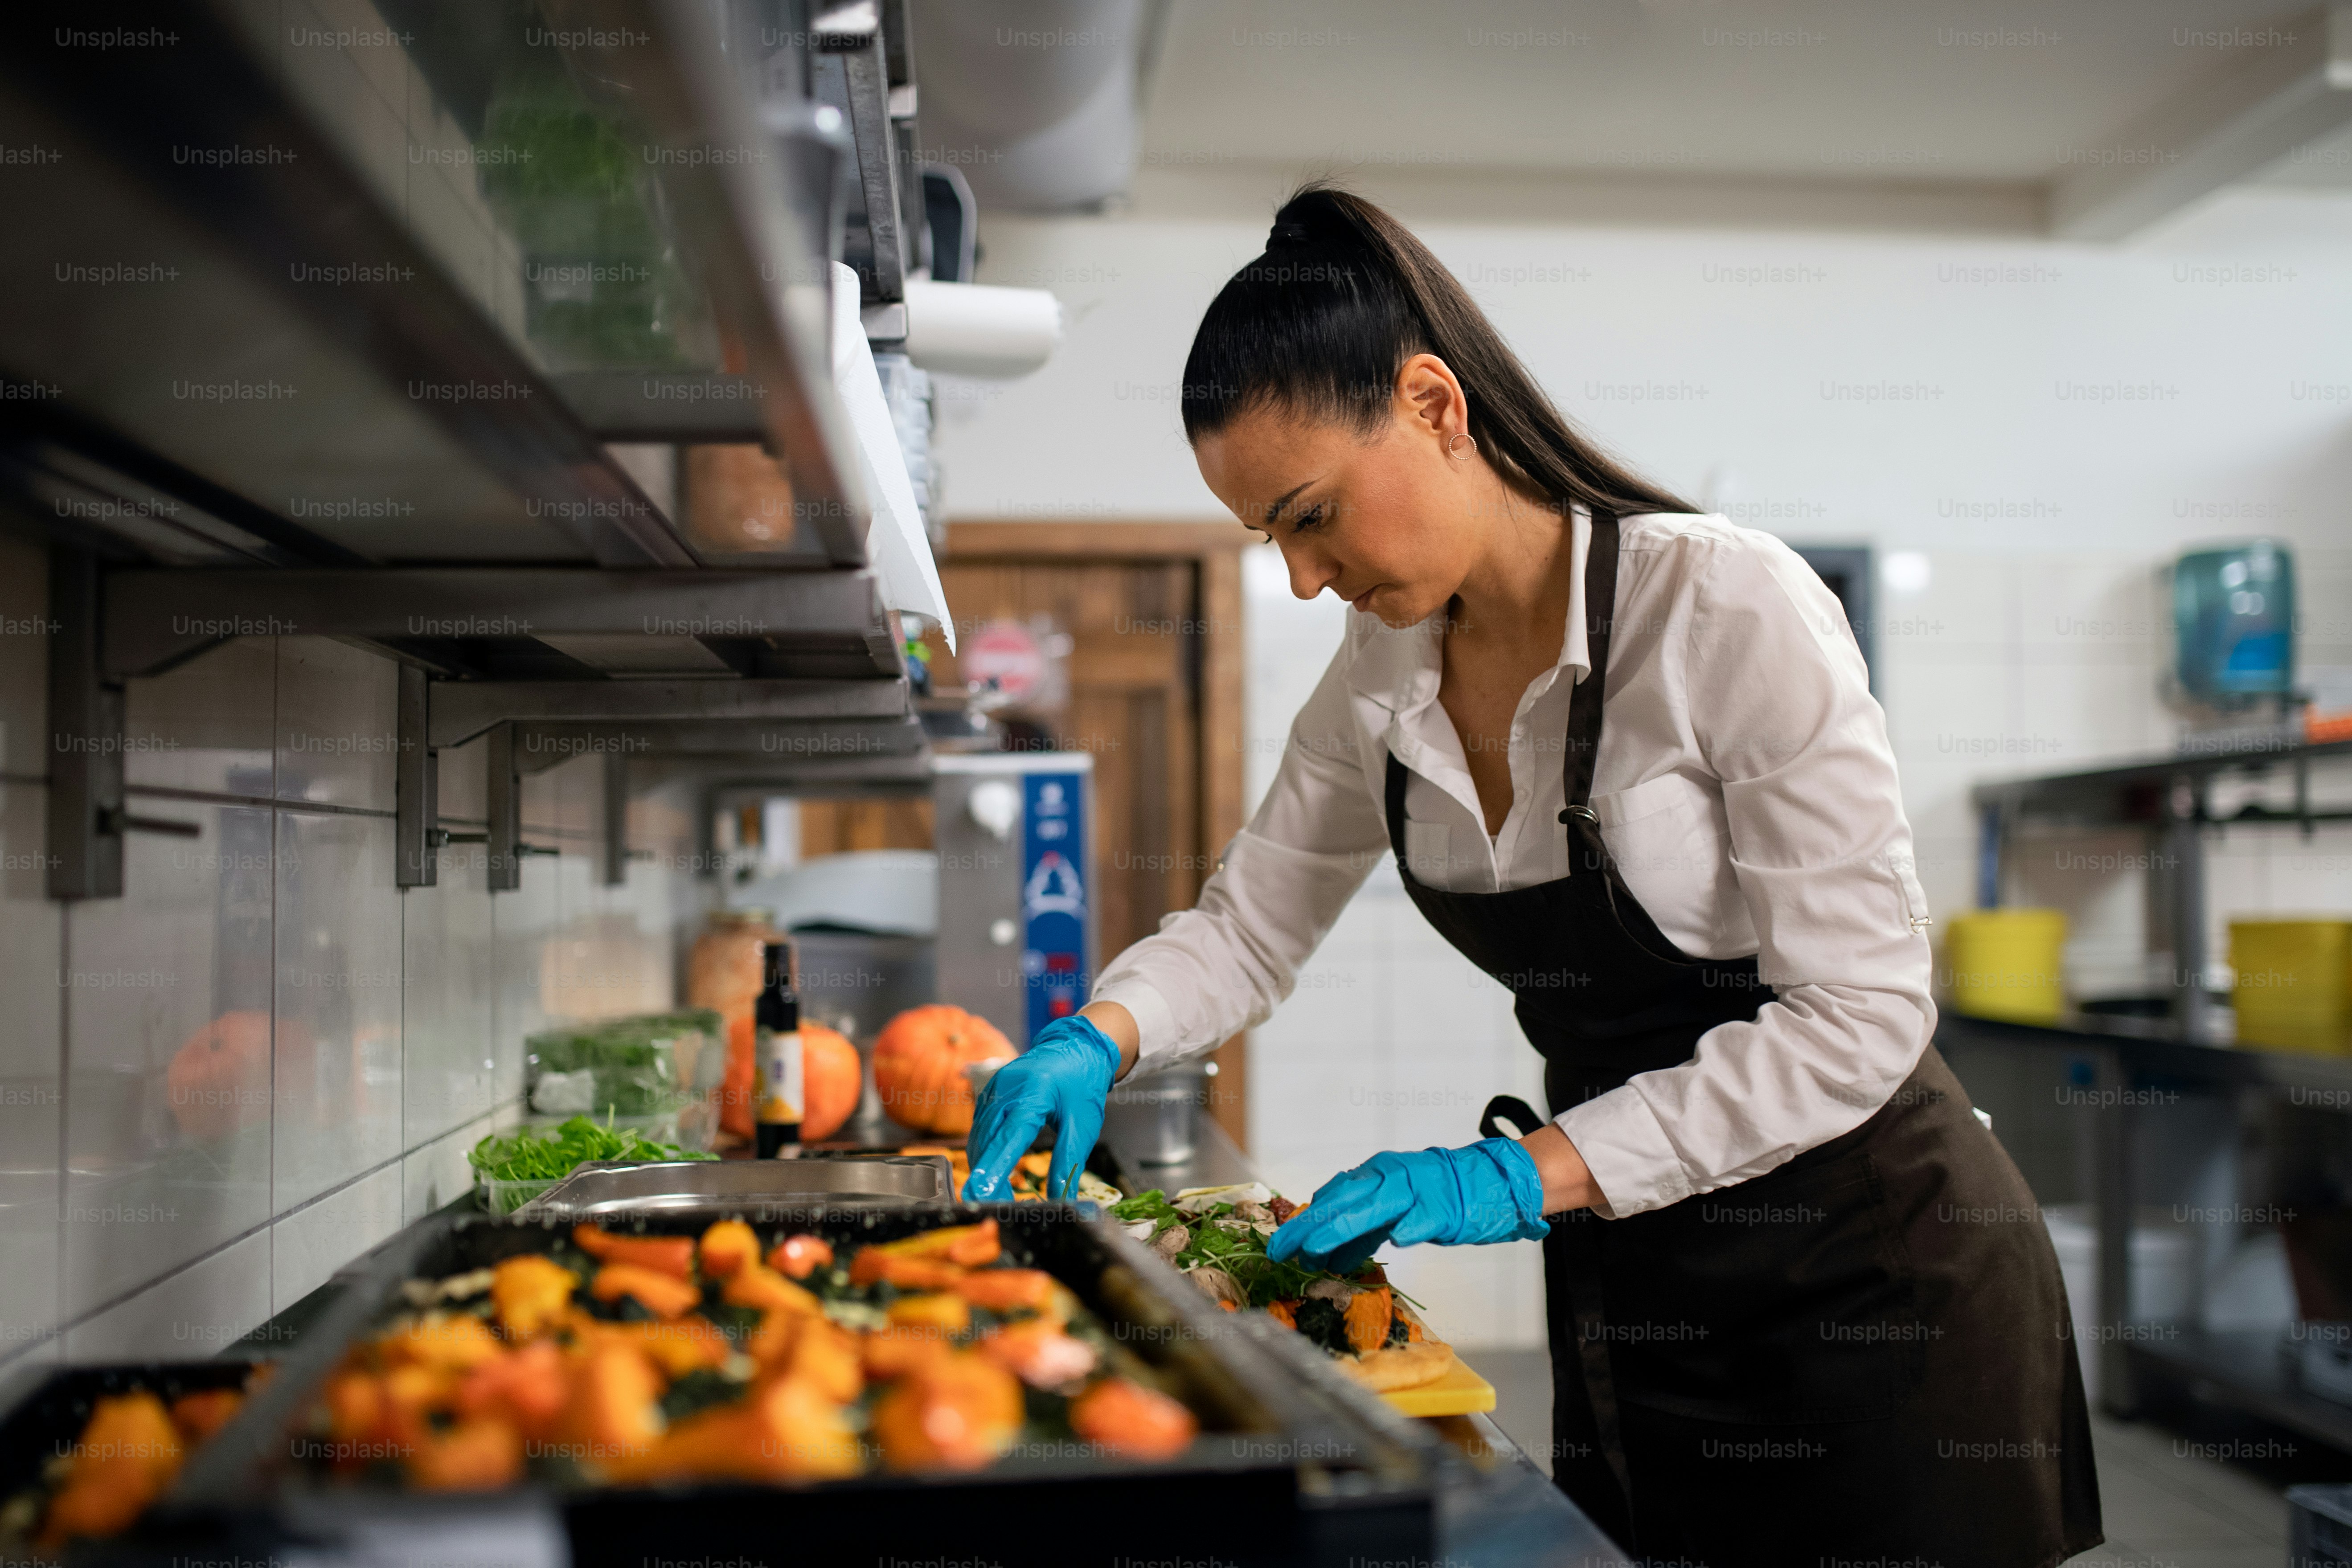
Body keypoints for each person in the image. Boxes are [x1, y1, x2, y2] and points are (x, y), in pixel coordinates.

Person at [963, 184, 2099, 1566]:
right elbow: (1247, 932)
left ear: (1434, 405)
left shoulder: (1722, 610)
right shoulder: (1376, 686)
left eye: (1313, 515)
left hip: (1876, 1278)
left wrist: (1515, 1179)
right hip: (1646, 1277)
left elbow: (1861, 1018)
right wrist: (1100, 1033)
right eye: (1275, 538)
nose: (1309, 579)